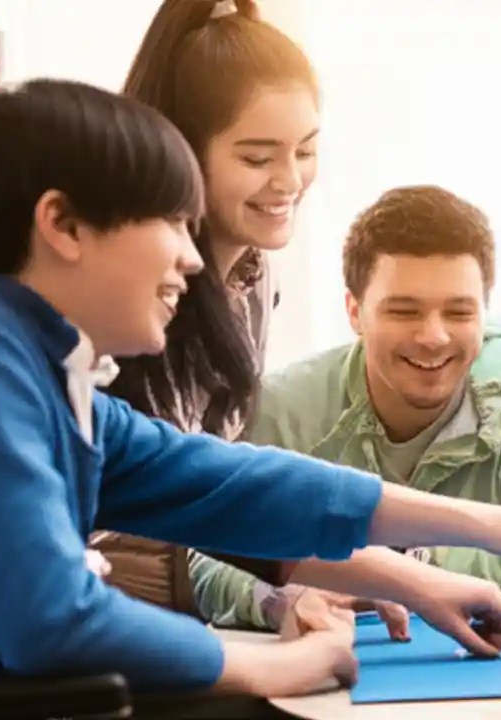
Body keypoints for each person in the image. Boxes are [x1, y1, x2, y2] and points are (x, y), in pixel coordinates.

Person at [0, 78, 501, 695]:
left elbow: (228, 487)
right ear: (62, 225)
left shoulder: (45, 376)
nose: (190, 256)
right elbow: (50, 617)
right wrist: (278, 666)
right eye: (173, 223)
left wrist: (490, 531)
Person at [191, 185, 501, 631]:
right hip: (343, 660)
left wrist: (398, 571)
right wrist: (287, 596)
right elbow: (209, 555)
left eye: (459, 313)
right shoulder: (283, 406)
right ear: (355, 311)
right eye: (404, 312)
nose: (433, 336)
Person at [91, 0, 324, 621]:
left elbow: (221, 494)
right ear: (184, 154)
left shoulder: (254, 275)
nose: (291, 180)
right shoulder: (129, 302)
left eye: (305, 150)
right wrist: (272, 598)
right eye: (257, 157)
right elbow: (132, 526)